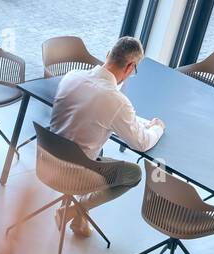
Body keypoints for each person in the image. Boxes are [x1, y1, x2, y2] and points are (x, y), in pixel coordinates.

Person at [48, 36, 165, 237]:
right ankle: (74, 210)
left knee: (98, 151)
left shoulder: (72, 76)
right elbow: (142, 143)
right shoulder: (116, 101)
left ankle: (79, 219)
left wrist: (130, 119)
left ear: (108, 54)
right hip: (75, 174)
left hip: (47, 161)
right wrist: (158, 128)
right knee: (133, 173)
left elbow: (97, 109)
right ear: (130, 67)